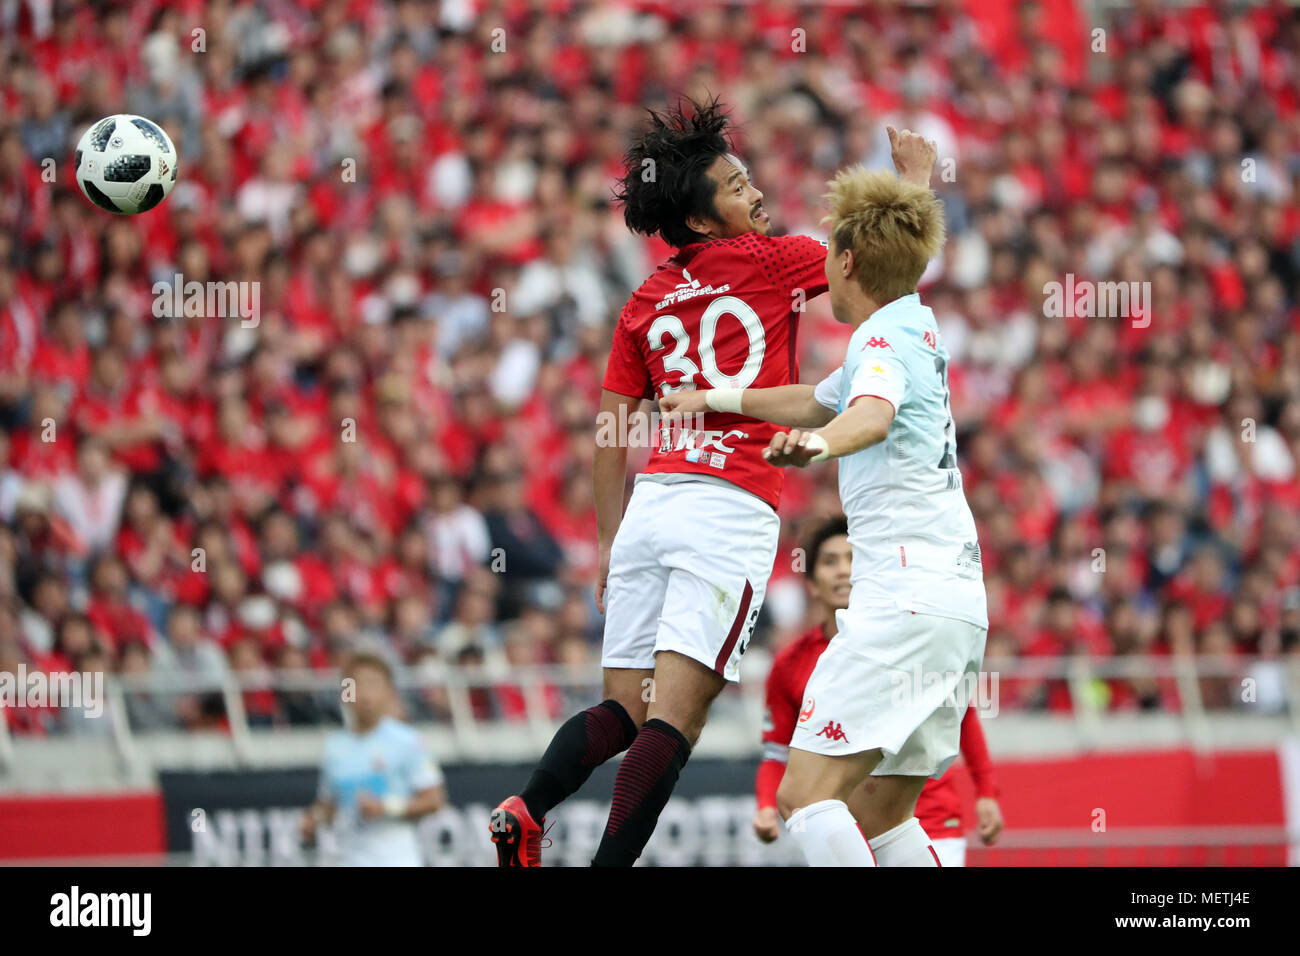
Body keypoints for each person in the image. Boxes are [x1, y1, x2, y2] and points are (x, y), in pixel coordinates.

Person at [488, 99, 937, 866]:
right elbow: (881, 259)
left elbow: (610, 435)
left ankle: (526, 809)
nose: (756, 193)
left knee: (624, 709)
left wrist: (606, 542)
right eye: (737, 187)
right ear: (702, 221)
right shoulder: (773, 261)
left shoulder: (644, 298)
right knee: (678, 723)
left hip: (651, 508)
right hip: (726, 508)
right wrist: (915, 183)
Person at [661, 164, 984, 866]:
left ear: (844, 261)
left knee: (803, 799)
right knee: (882, 813)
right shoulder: (914, 328)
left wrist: (818, 445)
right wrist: (716, 399)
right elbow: (817, 398)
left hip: (902, 599)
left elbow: (864, 415)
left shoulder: (877, 342)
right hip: (954, 606)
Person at [753, 517, 1004, 866]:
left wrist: (986, 792)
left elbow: (962, 715)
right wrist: (765, 806)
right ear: (810, 584)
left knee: (802, 799)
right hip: (852, 828)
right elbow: (777, 753)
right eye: (830, 561)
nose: (843, 571)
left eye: (853, 559)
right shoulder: (790, 664)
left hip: (928, 818)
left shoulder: (903, 640)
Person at [303, 654, 447, 866]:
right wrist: (313, 821)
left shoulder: (407, 740)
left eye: (373, 683)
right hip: (350, 857)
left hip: (397, 857)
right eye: (356, 685)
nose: (365, 693)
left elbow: (434, 800)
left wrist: (386, 808)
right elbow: (328, 804)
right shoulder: (334, 747)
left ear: (388, 691)